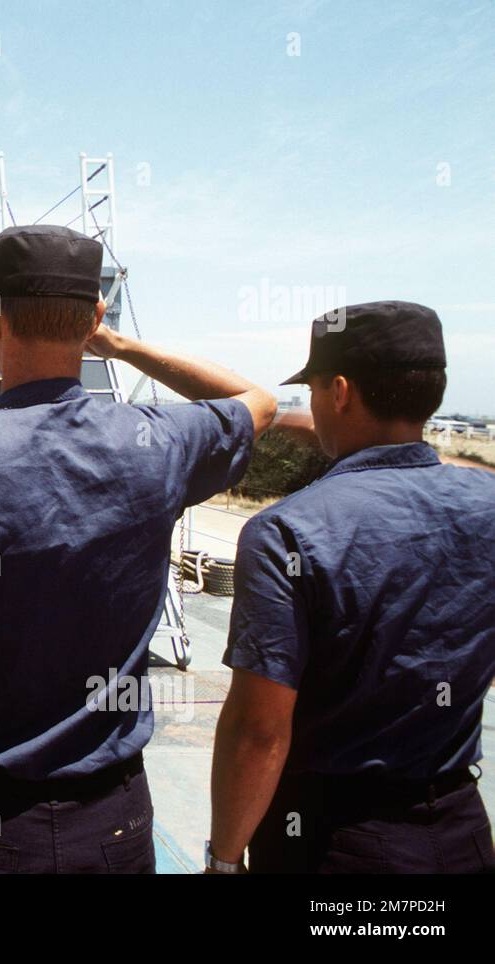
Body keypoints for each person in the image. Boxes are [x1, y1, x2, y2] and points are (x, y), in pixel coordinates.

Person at [0, 225, 276, 873]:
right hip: (116, 821)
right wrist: (119, 345)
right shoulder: (158, 444)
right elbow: (258, 402)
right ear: (95, 317)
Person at [208, 302, 495, 874]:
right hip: (460, 831)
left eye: (313, 390)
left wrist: (224, 856)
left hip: (334, 841)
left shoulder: (286, 531)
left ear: (338, 391)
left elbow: (259, 732)